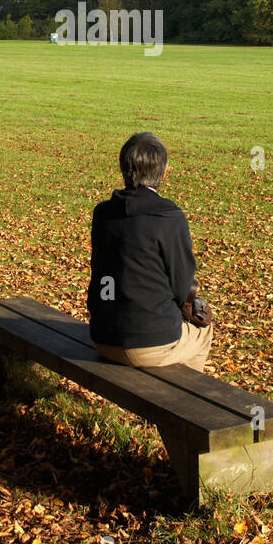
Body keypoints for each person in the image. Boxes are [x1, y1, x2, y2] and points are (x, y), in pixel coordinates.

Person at [87, 131, 213, 371]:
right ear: (164, 172)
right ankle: (186, 401)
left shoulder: (103, 213)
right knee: (203, 330)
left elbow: (104, 277)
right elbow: (183, 287)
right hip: (150, 342)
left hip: (103, 337)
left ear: (122, 168)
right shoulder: (169, 218)